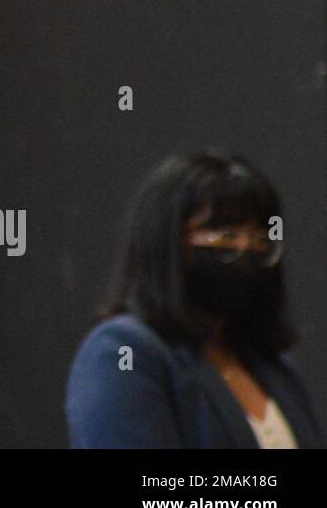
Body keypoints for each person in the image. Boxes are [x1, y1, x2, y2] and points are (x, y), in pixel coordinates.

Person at [66, 152, 321, 448]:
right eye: (226, 236)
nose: (246, 249)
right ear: (167, 241)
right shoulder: (125, 352)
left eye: (260, 240)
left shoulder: (275, 367)